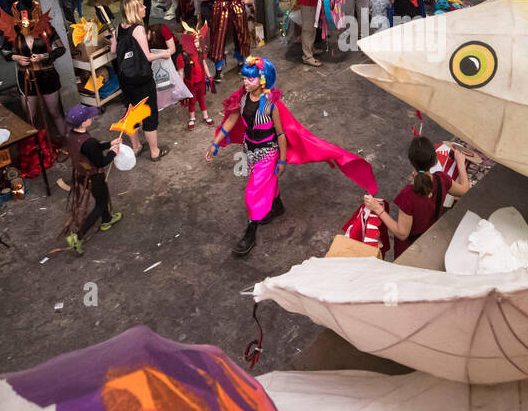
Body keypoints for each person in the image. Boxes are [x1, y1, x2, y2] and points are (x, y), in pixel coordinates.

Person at [206, 55, 376, 257]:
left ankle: (251, 231)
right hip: (249, 150)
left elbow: (281, 134)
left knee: (253, 192)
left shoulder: (271, 106)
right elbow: (231, 121)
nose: (245, 82)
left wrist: (283, 159)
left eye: (250, 79)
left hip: (268, 153)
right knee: (267, 183)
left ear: (262, 80)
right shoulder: (241, 99)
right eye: (244, 78)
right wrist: (216, 142)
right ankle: (276, 205)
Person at [365, 136, 471, 260]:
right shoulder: (442, 179)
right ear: (435, 160)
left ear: (411, 162)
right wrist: (460, 163)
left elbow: (402, 233)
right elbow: (464, 190)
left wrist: (377, 208)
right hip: (431, 239)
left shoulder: (408, 195)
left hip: (409, 250)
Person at [110, 0, 169, 162]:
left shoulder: (118, 28)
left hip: (125, 79)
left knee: (131, 112)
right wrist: (164, 54)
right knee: (148, 113)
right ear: (135, 11)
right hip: (141, 78)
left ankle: (136, 147)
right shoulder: (138, 29)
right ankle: (154, 151)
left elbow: (113, 50)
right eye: (141, 6)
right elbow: (148, 56)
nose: (145, 8)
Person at [0, 5, 68, 143]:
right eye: (23, 25)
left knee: (54, 113)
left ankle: (66, 143)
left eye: (30, 25)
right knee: (30, 116)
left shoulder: (47, 29)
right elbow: (4, 50)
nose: (26, 28)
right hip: (26, 78)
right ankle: (35, 148)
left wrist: (44, 56)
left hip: (47, 75)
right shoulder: (12, 31)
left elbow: (61, 49)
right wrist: (15, 57)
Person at [62, 104, 124, 255]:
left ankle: (106, 220)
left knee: (100, 196)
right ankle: (78, 236)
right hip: (94, 176)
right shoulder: (88, 142)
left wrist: (110, 143)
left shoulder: (72, 135)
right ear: (84, 123)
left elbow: (93, 148)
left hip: (82, 174)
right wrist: (112, 153)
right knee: (101, 203)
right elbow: (100, 162)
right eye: (89, 117)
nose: (91, 118)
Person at [176, 20, 215, 129]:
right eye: (195, 41)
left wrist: (209, 77)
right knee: (192, 100)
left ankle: (205, 116)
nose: (198, 43)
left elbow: (204, 64)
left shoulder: (200, 52)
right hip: (190, 83)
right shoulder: (182, 56)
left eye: (198, 41)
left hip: (201, 81)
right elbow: (181, 71)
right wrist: (181, 85)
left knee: (202, 98)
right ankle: (192, 118)